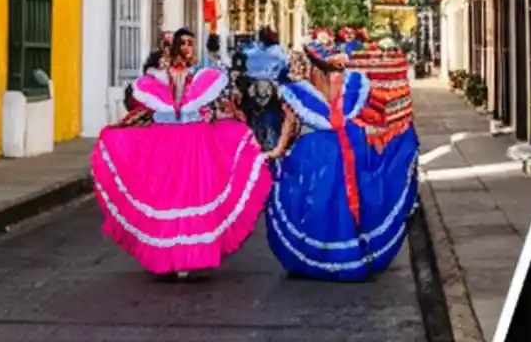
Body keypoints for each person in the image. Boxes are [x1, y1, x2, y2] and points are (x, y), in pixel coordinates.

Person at [90, 27, 272, 277]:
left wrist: (224, 115)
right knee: (168, 194)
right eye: (183, 43)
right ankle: (170, 254)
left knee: (195, 192)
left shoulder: (199, 77)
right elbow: (154, 107)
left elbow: (204, 107)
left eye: (190, 43)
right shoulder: (160, 77)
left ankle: (189, 256)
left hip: (195, 140)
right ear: (175, 46)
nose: (187, 48)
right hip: (168, 140)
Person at [266, 30, 418, 281]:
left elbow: (288, 126)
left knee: (317, 204)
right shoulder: (353, 86)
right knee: (350, 202)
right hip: (350, 145)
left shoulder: (299, 92)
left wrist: (277, 152)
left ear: (312, 67)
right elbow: (374, 117)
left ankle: (318, 256)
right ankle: (351, 253)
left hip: (317, 153)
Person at [239, 26, 290, 150]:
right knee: (272, 126)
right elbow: (285, 72)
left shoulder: (250, 51)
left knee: (254, 125)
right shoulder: (279, 53)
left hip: (252, 94)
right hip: (271, 95)